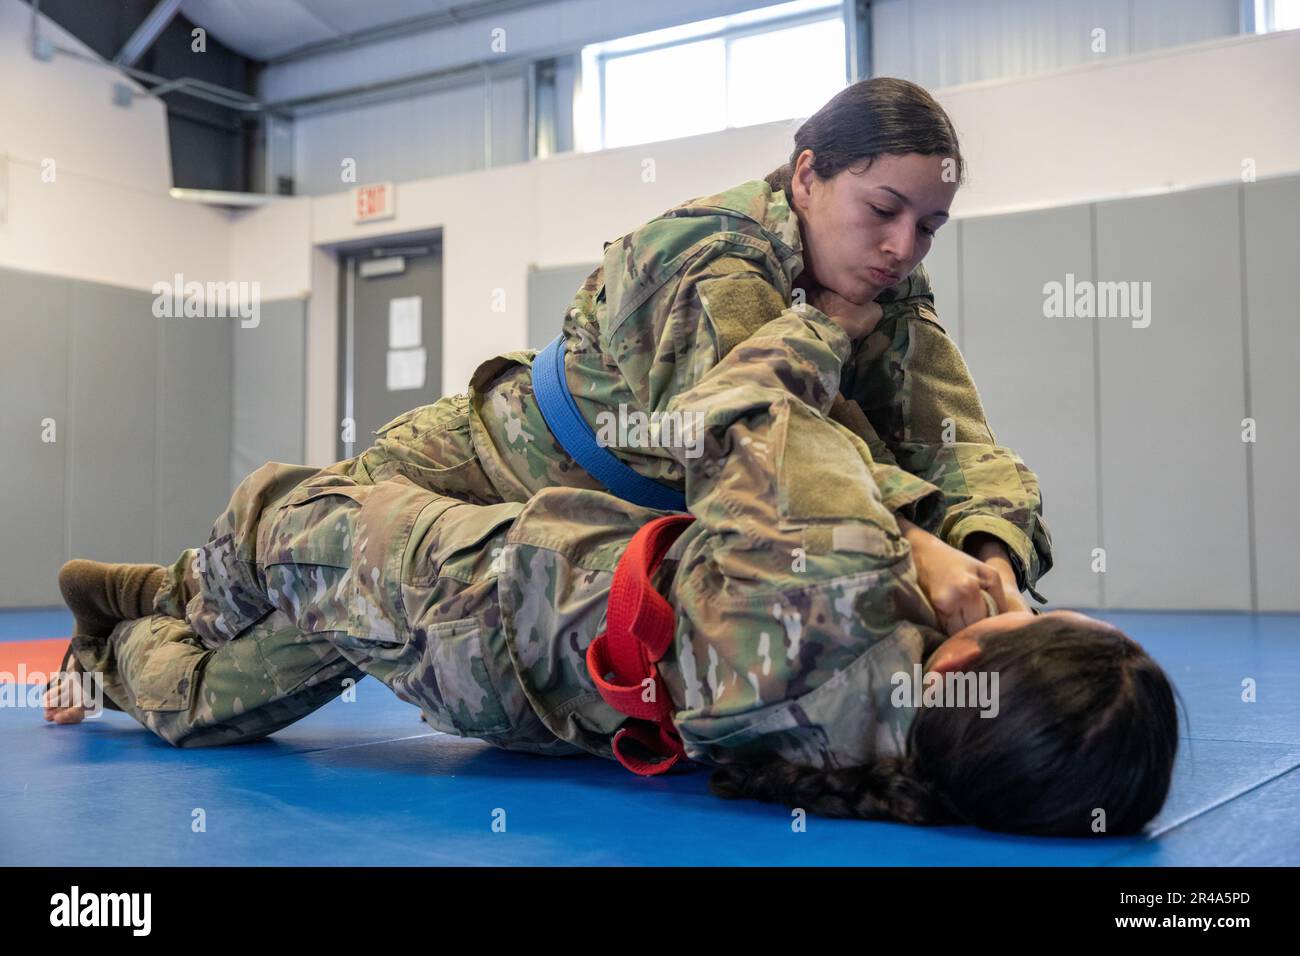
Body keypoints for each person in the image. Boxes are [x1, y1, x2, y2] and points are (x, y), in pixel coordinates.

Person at [47, 306, 1178, 836]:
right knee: (233, 688)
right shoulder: (895, 767)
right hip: (527, 698)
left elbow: (739, 403)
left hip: (468, 584)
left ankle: (136, 614)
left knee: (271, 527)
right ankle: (127, 639)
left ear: (979, 647)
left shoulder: (838, 566)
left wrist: (838, 321)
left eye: (1039, 611)